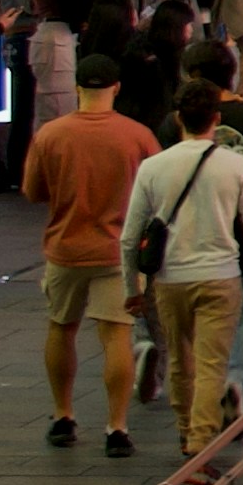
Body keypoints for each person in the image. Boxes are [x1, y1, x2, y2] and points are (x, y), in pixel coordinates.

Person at [117, 84, 243, 469]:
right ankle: (199, 443)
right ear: (216, 121)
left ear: (177, 120)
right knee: (211, 364)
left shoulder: (153, 166)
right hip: (222, 275)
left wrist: (131, 287)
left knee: (179, 359)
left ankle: (187, 429)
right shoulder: (237, 166)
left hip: (170, 280)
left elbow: (129, 236)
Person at [24, 48, 160, 449]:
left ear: (76, 87)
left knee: (61, 328)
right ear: (116, 88)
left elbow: (33, 192)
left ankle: (63, 415)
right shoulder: (138, 136)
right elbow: (157, 197)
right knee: (116, 336)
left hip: (65, 248)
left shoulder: (51, 134)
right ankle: (117, 427)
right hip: (118, 253)